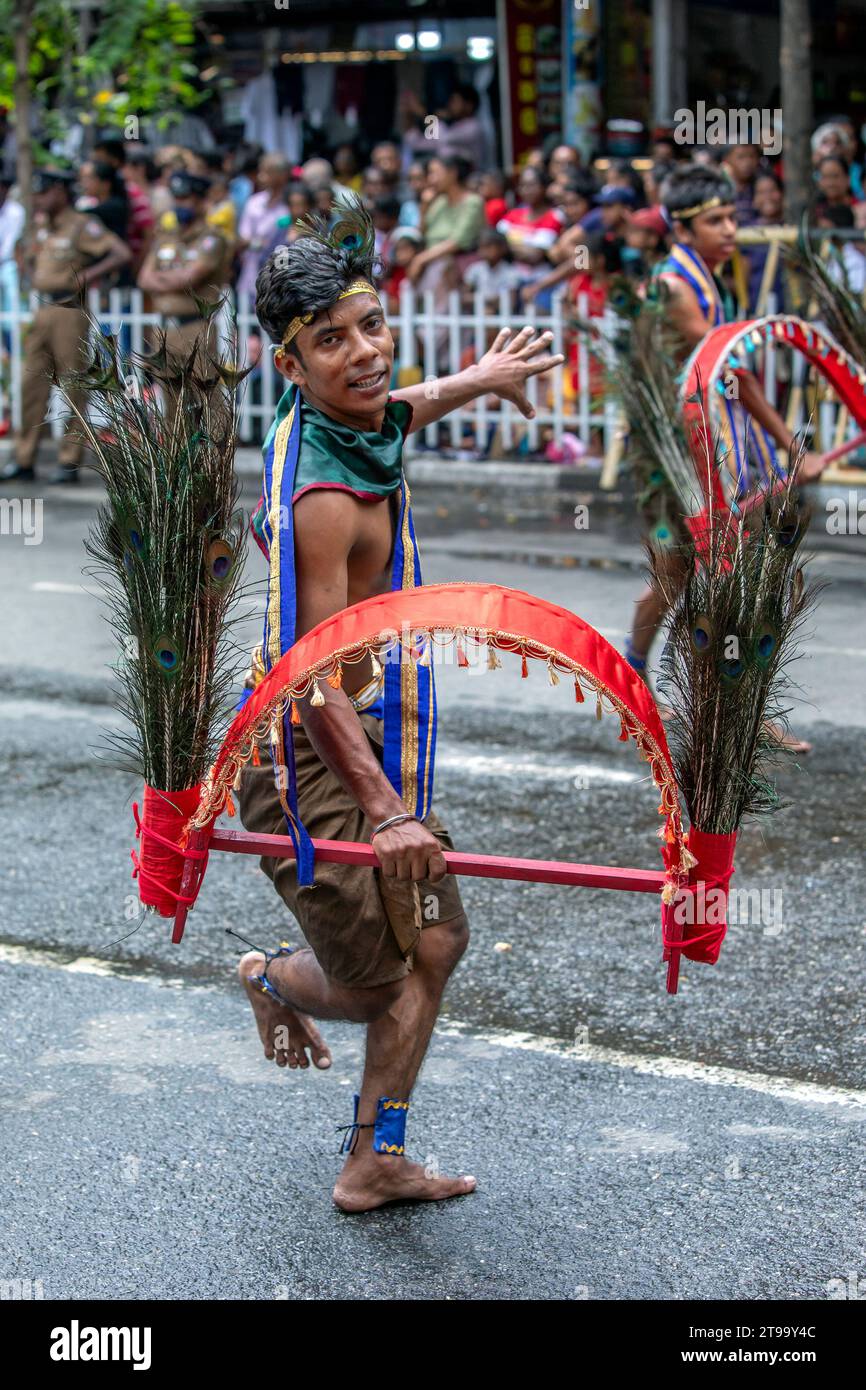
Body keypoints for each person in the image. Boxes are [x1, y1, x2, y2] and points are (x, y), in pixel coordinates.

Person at [235, 193, 563, 1212]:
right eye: (329, 341)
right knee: (379, 980)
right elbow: (309, 671)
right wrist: (384, 810)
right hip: (304, 760)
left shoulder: (357, 421)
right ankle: (272, 976)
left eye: (371, 324)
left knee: (435, 940)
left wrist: (483, 376)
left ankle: (375, 1156)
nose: (364, 352)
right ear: (289, 369)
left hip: (368, 732)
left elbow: (397, 407)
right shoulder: (319, 500)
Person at [623, 163, 825, 750]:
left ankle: (717, 708)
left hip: (700, 448)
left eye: (734, 217)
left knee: (707, 579)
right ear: (684, 229)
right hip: (677, 457)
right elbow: (736, 376)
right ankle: (637, 683)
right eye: (718, 220)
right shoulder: (679, 287)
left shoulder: (705, 277)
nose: (732, 229)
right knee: (684, 577)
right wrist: (793, 444)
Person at [1, 167, 130, 484]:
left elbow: (120, 253)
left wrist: (87, 276)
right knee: (30, 384)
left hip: (69, 310)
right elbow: (23, 252)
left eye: (45, 192)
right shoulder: (42, 226)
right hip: (43, 308)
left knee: (74, 385)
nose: (39, 199)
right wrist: (28, 270)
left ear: (60, 191)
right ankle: (23, 458)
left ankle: (69, 460)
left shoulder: (82, 224)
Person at [137, 169, 231, 373]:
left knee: (205, 400)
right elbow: (144, 279)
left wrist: (161, 279)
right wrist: (173, 279)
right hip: (163, 330)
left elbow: (189, 278)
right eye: (176, 198)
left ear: (200, 202)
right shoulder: (165, 237)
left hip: (194, 329)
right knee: (169, 402)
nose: (179, 204)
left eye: (185, 198)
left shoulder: (211, 239)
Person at [236, 153, 292, 302]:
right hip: (251, 275)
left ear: (282, 175)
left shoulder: (292, 205)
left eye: (266, 172)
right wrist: (261, 244)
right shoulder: (254, 202)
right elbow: (242, 239)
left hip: (281, 276)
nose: (260, 177)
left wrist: (260, 244)